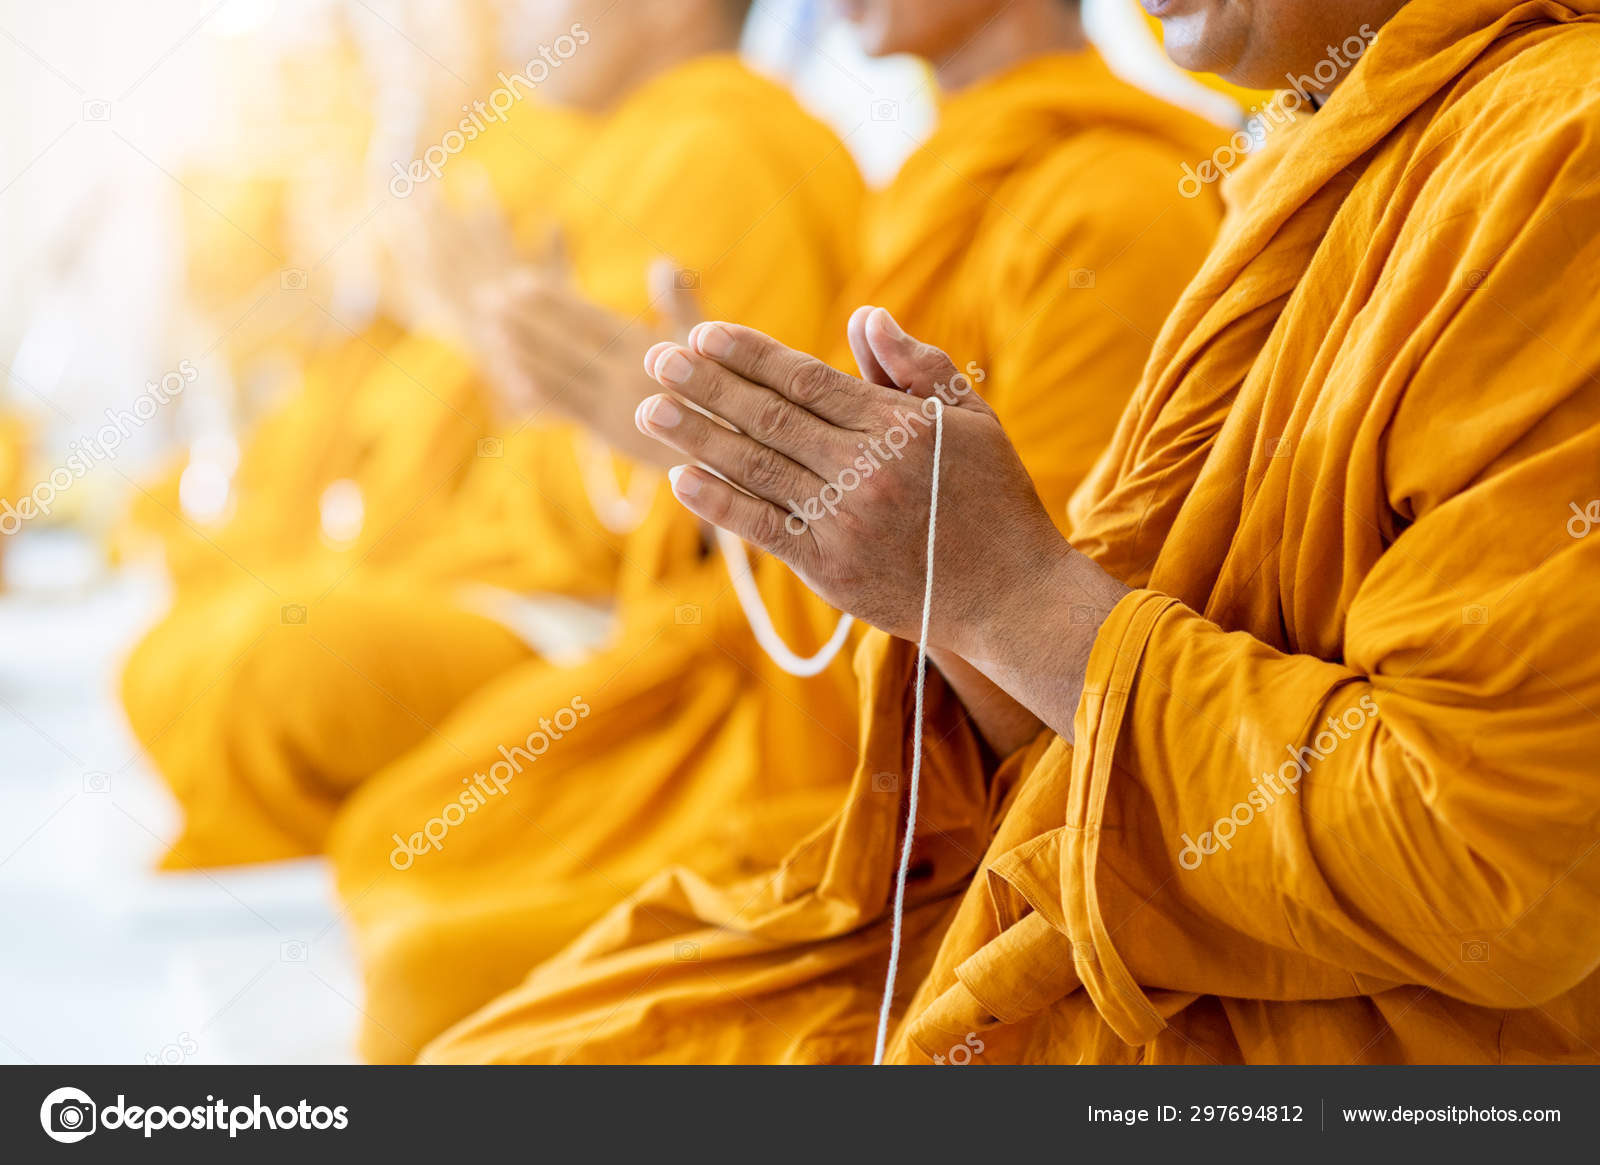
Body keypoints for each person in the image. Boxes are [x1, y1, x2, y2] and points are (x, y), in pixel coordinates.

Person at [425, 0, 1600, 1065]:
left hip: (1314, 1003)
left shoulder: (1543, 151)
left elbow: (1497, 867)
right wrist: (881, 546)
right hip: (1040, 863)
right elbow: (1052, 700)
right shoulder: (1295, 159)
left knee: (435, 974)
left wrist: (1005, 594)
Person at [328, 0, 1228, 1063]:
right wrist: (688, 449)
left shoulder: (1111, 201)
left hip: (970, 827)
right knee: (399, 859)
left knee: (432, 972)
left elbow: (1061, 677)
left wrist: (711, 460)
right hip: (803, 711)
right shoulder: (924, 185)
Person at [119, 0, 863, 868]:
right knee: (180, 652)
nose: (515, 18)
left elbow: (691, 509)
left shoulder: (716, 149)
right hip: (506, 580)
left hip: (609, 628)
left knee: (261, 670)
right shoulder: (615, 151)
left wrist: (505, 364)